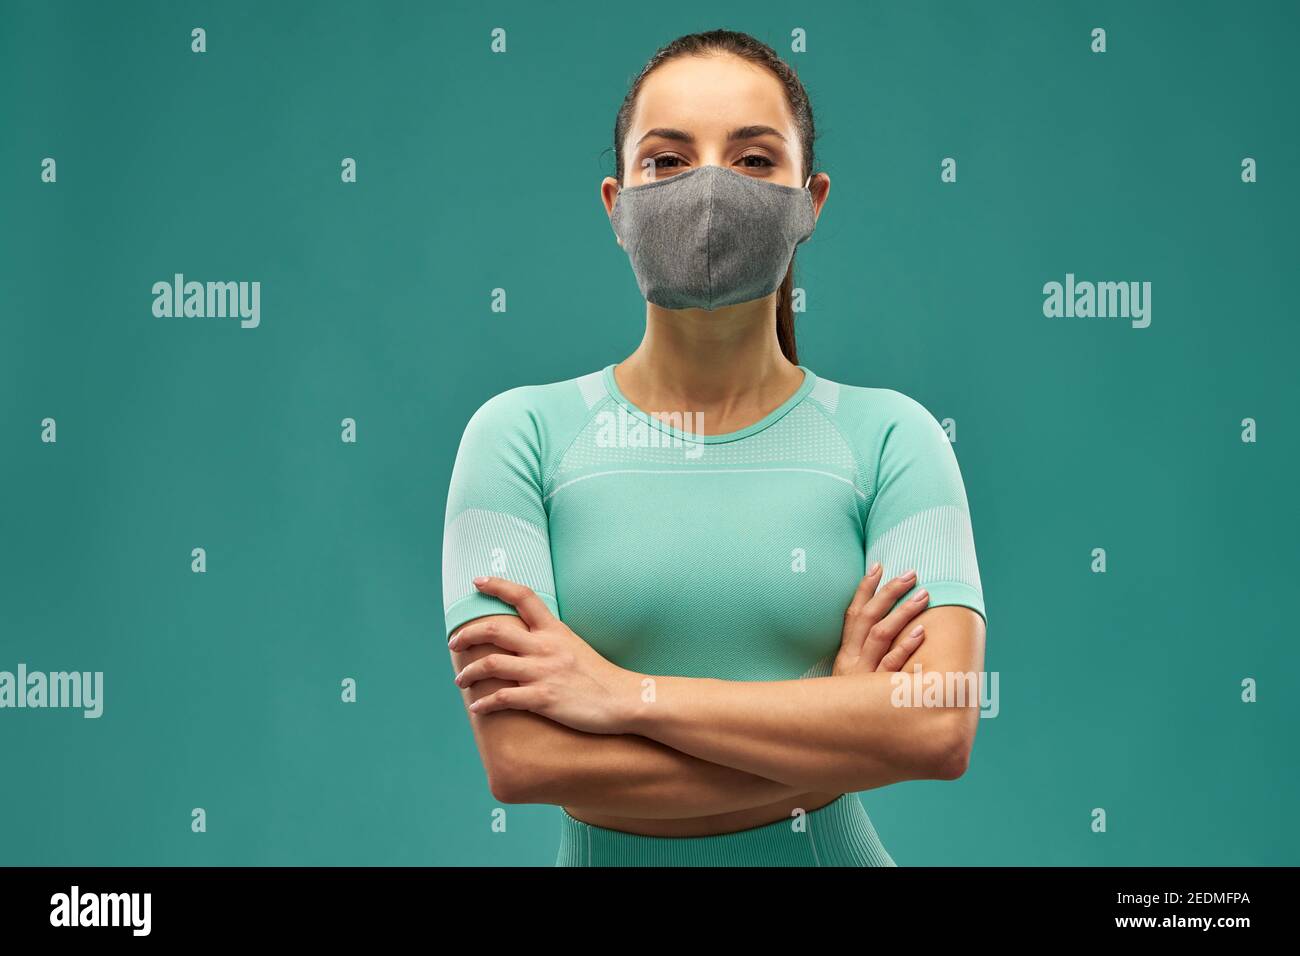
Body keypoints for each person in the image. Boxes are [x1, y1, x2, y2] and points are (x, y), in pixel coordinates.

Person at [442, 29, 988, 866]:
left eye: (754, 159)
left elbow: (938, 724)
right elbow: (524, 760)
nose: (707, 189)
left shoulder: (893, 439)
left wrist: (625, 695)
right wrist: (838, 721)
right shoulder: (518, 437)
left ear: (812, 201)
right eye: (666, 160)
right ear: (615, 204)